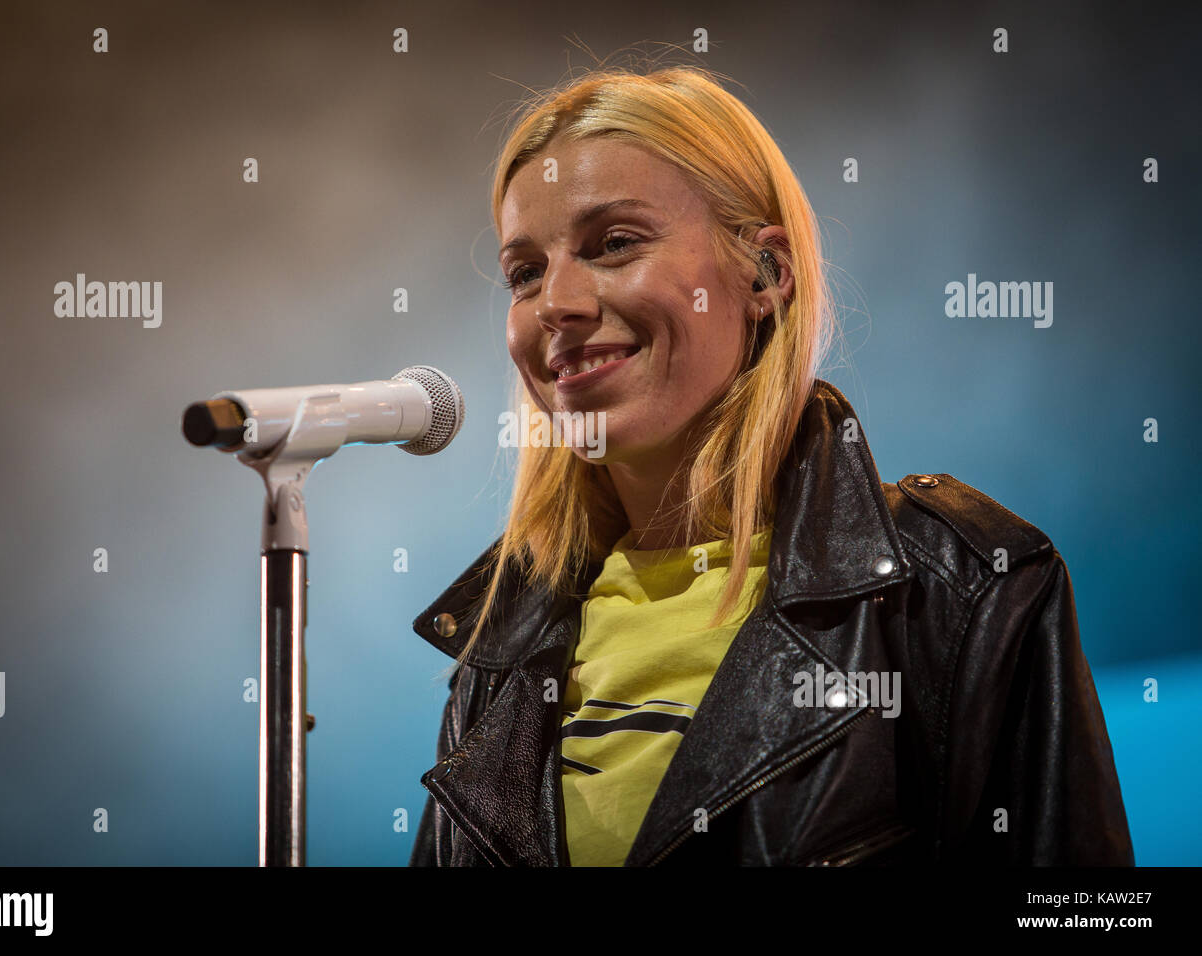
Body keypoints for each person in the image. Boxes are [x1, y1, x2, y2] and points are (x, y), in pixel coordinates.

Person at [408, 65, 1134, 866]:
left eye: (614, 243)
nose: (556, 304)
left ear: (766, 274)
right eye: (525, 272)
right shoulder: (497, 644)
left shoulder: (963, 587)